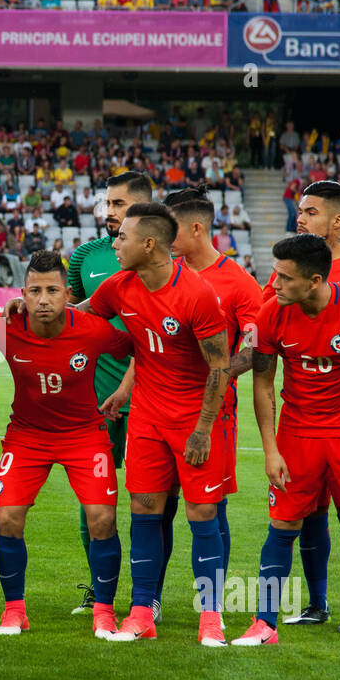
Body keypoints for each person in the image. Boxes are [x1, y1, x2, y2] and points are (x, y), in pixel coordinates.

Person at [232, 235, 340, 656]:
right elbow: (264, 382)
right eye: (275, 274)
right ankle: (265, 623)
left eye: (285, 278)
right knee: (281, 526)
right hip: (297, 435)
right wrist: (270, 449)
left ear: (315, 280)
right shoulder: (272, 312)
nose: (274, 284)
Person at [82, 202, 232, 644]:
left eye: (122, 237)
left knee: (201, 513)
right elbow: (81, 313)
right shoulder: (120, 285)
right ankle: (142, 612)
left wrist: (204, 428)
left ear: (149, 244)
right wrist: (30, 307)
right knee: (145, 511)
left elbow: (220, 367)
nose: (114, 243)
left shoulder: (198, 294)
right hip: (146, 416)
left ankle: (211, 617)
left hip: (194, 418)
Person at [0, 252, 133, 638]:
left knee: (102, 519)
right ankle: (14, 611)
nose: (43, 299)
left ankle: (104, 611)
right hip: (27, 436)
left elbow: (144, 349)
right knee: (6, 519)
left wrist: (123, 390)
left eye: (52, 290)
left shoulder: (93, 329)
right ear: (22, 294)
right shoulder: (4, 327)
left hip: (84, 435)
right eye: (35, 290)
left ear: (68, 293)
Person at [163, 187, 263, 618]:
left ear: (197, 228)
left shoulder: (238, 282)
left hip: (213, 410)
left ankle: (211, 603)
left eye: (171, 229)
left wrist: (217, 373)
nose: (163, 236)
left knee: (210, 505)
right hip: (159, 405)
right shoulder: (166, 273)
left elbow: (259, 348)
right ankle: (148, 601)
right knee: (153, 504)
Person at [63, 171, 145, 614]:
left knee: (153, 500)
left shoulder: (168, 259)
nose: (109, 212)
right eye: (107, 204)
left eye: (120, 204)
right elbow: (72, 316)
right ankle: (100, 589)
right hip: (96, 393)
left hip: (153, 394)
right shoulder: (86, 256)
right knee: (94, 493)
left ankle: (147, 595)